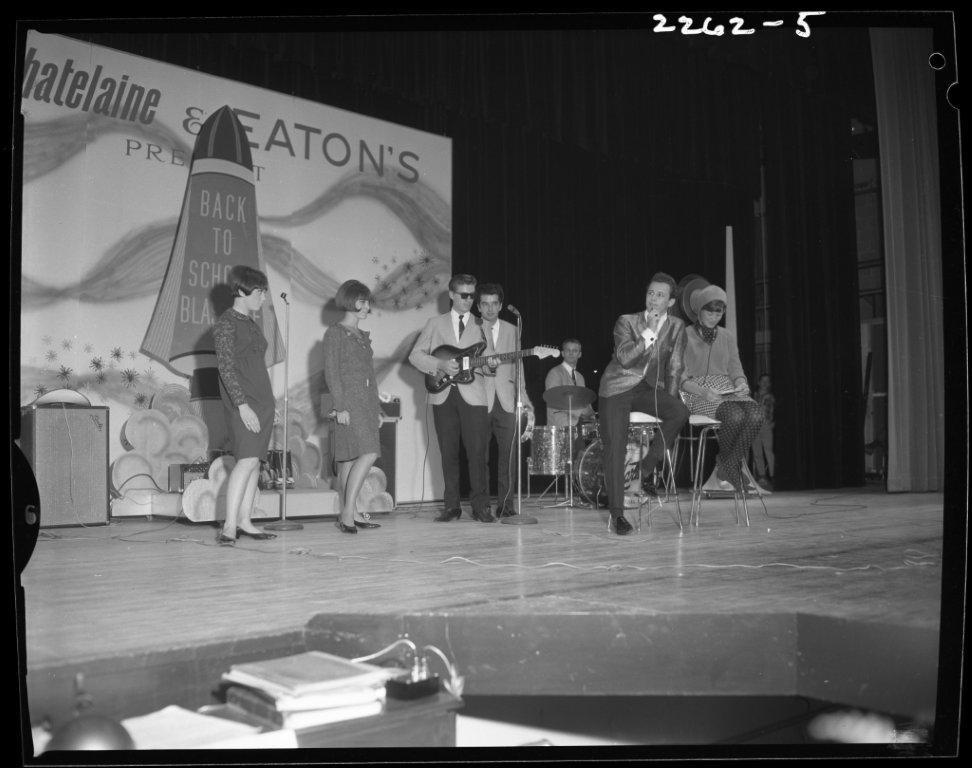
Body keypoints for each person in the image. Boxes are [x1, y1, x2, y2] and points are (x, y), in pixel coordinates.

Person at [597, 273, 689, 535]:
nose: (653, 299)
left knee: (679, 411)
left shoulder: (676, 326)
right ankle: (617, 515)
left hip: (645, 389)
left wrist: (668, 399)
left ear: (670, 302)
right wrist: (649, 331)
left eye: (660, 295)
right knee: (615, 448)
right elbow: (625, 359)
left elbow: (675, 367)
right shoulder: (626, 321)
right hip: (615, 388)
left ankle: (646, 467)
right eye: (650, 293)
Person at [408, 274, 496, 523]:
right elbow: (415, 355)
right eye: (464, 295)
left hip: (474, 396)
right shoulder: (435, 323)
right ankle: (452, 507)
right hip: (442, 394)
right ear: (451, 295)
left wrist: (492, 364)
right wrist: (440, 364)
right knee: (448, 453)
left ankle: (481, 508)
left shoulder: (483, 325)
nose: (469, 300)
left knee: (478, 454)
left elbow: (489, 364)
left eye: (472, 295)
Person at [676, 283, 764, 493]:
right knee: (734, 416)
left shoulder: (727, 336)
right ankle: (730, 467)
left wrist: (741, 383)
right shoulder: (684, 334)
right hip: (696, 391)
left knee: (756, 415)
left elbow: (735, 367)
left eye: (719, 311)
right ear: (699, 310)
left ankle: (726, 465)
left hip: (726, 388)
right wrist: (702, 391)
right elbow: (679, 375)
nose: (715, 316)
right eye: (710, 311)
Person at [213, 265, 278, 545]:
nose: (263, 298)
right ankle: (229, 526)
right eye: (260, 292)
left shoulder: (250, 323)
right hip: (244, 403)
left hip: (262, 401)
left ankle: (245, 521)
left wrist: (266, 403)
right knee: (247, 460)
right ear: (241, 291)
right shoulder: (226, 323)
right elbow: (226, 369)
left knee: (254, 463)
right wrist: (242, 406)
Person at [323, 280, 383, 534]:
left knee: (349, 459)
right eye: (361, 301)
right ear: (348, 301)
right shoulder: (335, 333)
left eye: (367, 301)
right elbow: (332, 373)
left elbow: (370, 373)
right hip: (348, 403)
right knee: (369, 453)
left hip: (367, 403)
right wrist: (340, 406)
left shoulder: (362, 336)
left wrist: (378, 407)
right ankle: (347, 512)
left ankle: (352, 511)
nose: (365, 306)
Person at [477, 283, 534, 517]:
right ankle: (481, 506)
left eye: (494, 304)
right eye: (485, 304)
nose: (490, 309)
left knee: (508, 457)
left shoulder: (512, 328)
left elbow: (517, 365)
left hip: (507, 400)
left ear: (501, 305)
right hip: (479, 398)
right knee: (479, 456)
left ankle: (506, 504)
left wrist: (525, 398)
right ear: (478, 306)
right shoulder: (471, 327)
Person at [544, 339, 596, 428]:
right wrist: (583, 412)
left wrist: (592, 416)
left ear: (580, 354)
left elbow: (585, 401)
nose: (571, 353)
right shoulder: (554, 373)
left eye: (575, 351)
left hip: (578, 423)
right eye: (568, 350)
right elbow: (556, 402)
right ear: (563, 353)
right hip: (560, 426)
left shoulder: (580, 377)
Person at [750, 373, 775, 488]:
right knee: (757, 452)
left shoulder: (770, 397)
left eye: (767, 381)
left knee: (768, 451)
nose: (765, 383)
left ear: (769, 384)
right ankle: (762, 476)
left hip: (765, 426)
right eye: (763, 381)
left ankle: (772, 476)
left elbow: (770, 412)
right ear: (759, 383)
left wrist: (771, 423)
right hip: (754, 426)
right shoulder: (753, 395)